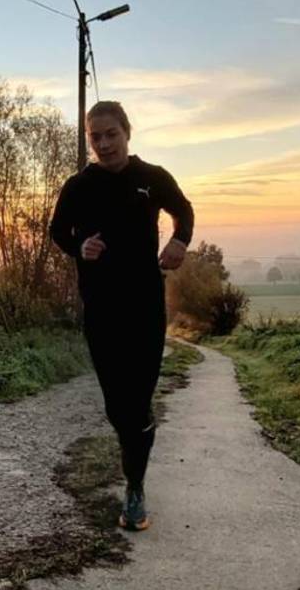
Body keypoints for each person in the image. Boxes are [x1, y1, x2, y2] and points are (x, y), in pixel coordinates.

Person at [49, 101, 194, 531]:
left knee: (138, 402)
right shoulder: (78, 186)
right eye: (96, 136)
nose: (104, 143)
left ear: (127, 133)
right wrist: (79, 247)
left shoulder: (153, 178)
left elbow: (183, 211)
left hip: (146, 307)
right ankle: (132, 449)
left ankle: (134, 486)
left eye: (112, 134)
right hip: (101, 311)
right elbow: (59, 231)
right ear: (89, 140)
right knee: (118, 407)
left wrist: (180, 242)